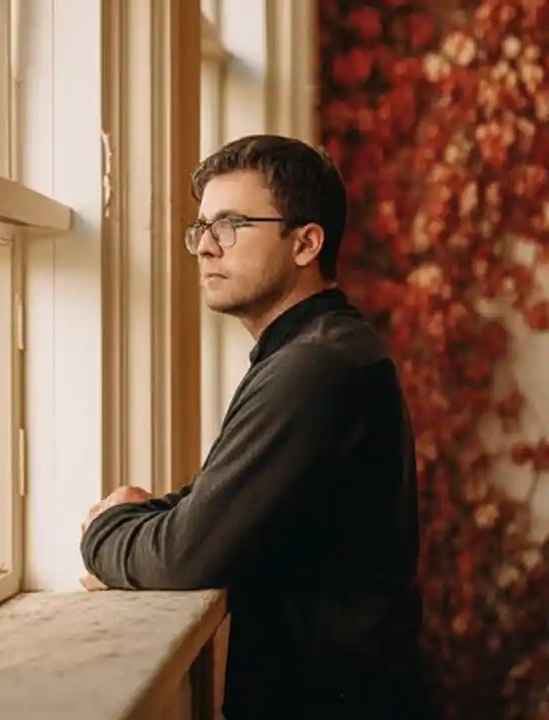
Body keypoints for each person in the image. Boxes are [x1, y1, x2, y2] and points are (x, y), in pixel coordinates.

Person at [79, 135, 430, 719]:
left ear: (306, 242)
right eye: (200, 228)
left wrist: (103, 531)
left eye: (231, 224)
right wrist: (148, 520)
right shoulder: (314, 352)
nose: (205, 247)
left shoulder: (315, 367)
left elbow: (184, 554)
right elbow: (206, 506)